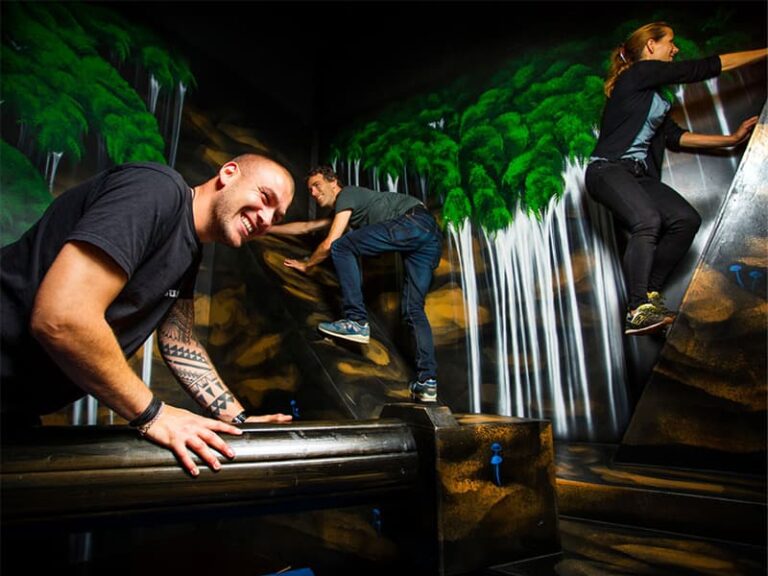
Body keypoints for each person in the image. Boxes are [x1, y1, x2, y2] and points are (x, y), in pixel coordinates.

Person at [1, 154, 295, 476]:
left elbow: (179, 341)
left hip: (15, 408)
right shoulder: (157, 189)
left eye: (277, 216)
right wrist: (154, 413)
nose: (267, 219)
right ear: (228, 173)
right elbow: (63, 317)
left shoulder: (189, 252)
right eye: (265, 197)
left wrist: (238, 419)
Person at [585, 22, 767, 335]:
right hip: (607, 170)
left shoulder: (654, 98)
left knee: (685, 219)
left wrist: (730, 139)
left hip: (636, 175)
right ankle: (637, 309)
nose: (676, 48)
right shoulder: (638, 74)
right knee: (648, 220)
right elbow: (703, 68)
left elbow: (675, 137)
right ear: (650, 46)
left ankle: (649, 296)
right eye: (670, 42)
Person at [269, 166, 442, 402]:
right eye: (310, 190)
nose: (314, 193)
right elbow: (306, 227)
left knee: (342, 246)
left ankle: (356, 321)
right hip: (429, 234)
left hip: (412, 221)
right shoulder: (342, 210)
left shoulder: (347, 194)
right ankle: (427, 382)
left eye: (317, 186)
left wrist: (307, 265)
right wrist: (267, 228)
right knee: (413, 310)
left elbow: (331, 242)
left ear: (333, 182)